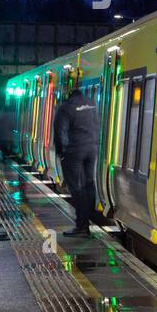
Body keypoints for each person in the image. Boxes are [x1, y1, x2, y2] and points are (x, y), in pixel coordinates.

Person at [53, 86, 104, 235]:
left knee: (76, 187)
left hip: (75, 151)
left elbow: (60, 131)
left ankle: (82, 226)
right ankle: (92, 217)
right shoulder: (92, 104)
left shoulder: (66, 107)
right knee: (89, 184)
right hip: (92, 149)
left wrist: (61, 152)